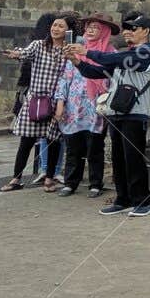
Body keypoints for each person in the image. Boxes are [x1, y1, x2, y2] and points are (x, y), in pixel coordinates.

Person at [67, 14, 150, 217]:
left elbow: (115, 59)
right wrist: (76, 61)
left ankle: (144, 201)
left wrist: (87, 51)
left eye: (133, 28)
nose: (127, 32)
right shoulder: (125, 55)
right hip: (116, 112)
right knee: (119, 159)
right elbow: (96, 72)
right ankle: (123, 199)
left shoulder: (147, 51)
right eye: (126, 28)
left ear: (145, 31)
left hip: (135, 113)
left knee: (134, 159)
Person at [2, 14, 70, 191]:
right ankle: (16, 179)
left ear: (68, 31)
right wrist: (16, 54)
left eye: (60, 26)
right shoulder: (39, 45)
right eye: (54, 25)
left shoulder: (69, 51)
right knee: (26, 141)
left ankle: (49, 178)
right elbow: (25, 53)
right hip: (36, 101)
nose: (55, 29)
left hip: (56, 102)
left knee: (53, 141)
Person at [52, 43, 105, 198]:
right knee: (73, 148)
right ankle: (70, 182)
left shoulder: (108, 52)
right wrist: (60, 104)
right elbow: (64, 80)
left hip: (96, 110)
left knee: (94, 148)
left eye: (95, 29)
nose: (91, 31)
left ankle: (95, 184)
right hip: (73, 110)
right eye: (88, 30)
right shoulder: (76, 52)